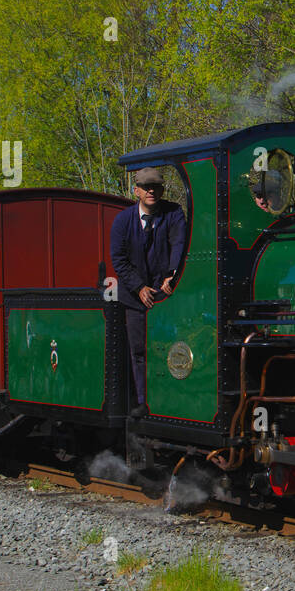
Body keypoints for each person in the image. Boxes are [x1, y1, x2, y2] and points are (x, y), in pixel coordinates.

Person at [110, 167, 188, 417]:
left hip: (167, 294)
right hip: (134, 298)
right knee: (139, 351)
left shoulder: (174, 213)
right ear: (137, 191)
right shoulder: (122, 221)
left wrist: (173, 274)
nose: (151, 191)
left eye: (155, 187)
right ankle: (144, 401)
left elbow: (179, 243)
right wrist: (138, 287)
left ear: (162, 190)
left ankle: (172, 399)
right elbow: (118, 259)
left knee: (170, 347)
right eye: (146, 187)